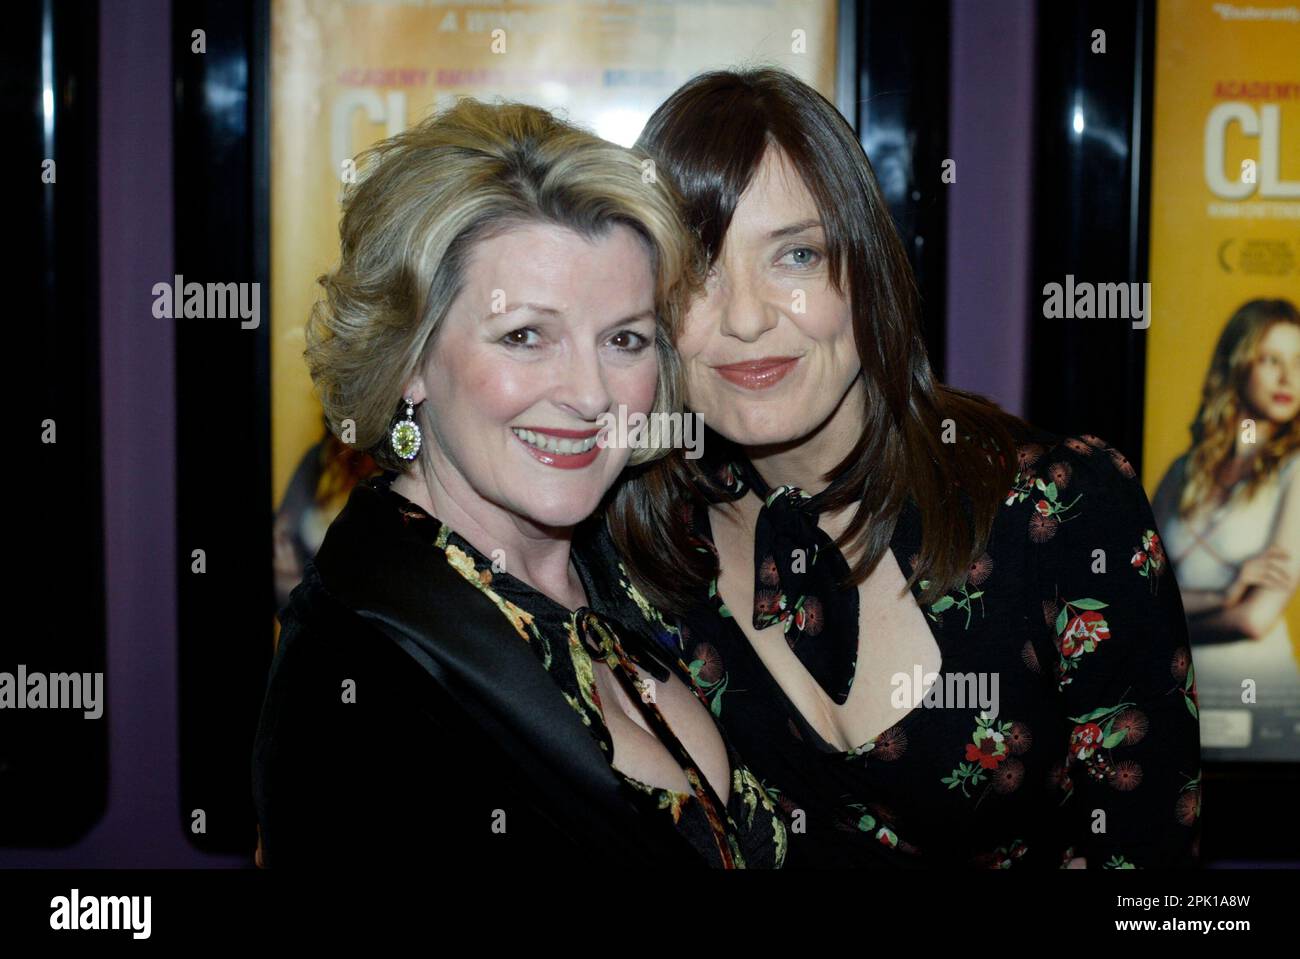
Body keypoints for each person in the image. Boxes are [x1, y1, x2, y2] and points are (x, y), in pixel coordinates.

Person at [607, 68, 1203, 868]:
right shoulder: (645, 555)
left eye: (796, 255)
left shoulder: (1062, 511)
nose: (746, 317)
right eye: (698, 272)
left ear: (865, 268)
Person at [251, 98, 787, 868]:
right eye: (525, 335)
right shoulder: (357, 678)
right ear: (409, 360)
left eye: (624, 339)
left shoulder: (625, 557)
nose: (591, 393)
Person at [1152, 299, 1300, 757]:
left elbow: (1255, 620)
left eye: (1299, 362)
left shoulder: (1296, 469)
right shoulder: (1182, 472)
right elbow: (1139, 595)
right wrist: (1226, 593)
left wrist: (1174, 617)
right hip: (1175, 702)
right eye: (1270, 359)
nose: (1287, 378)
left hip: (1258, 711)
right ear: (1237, 364)